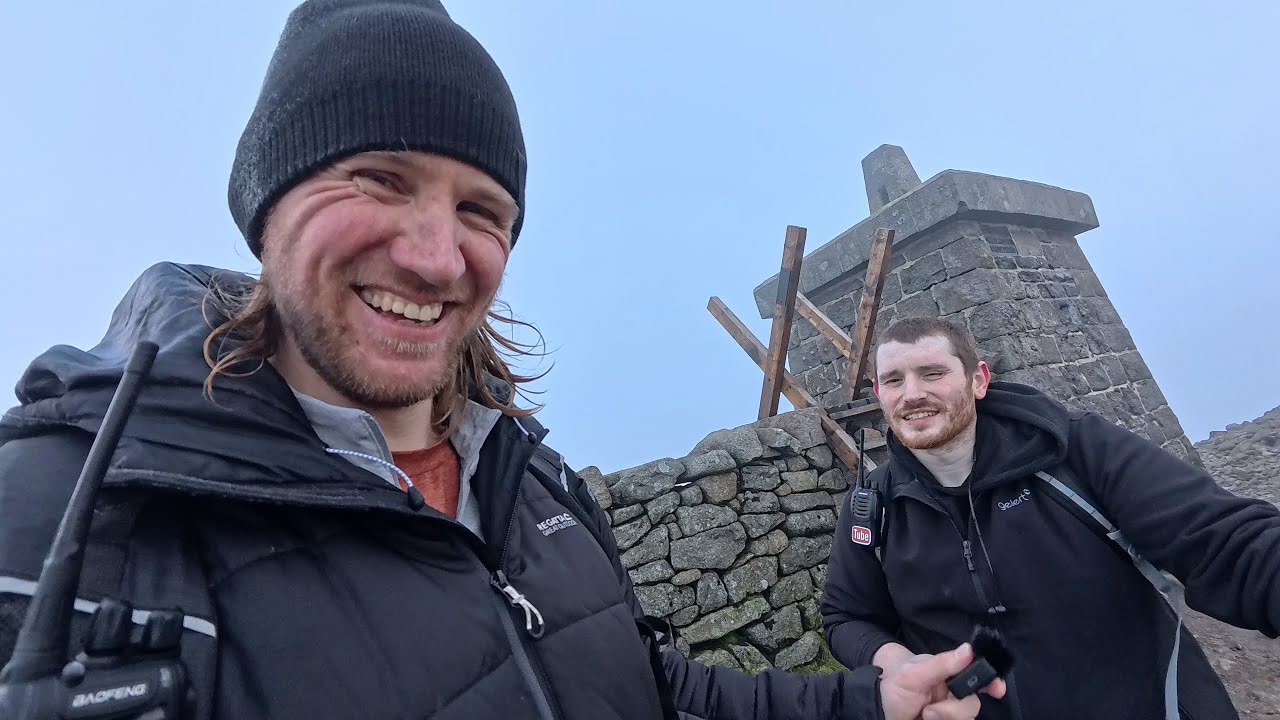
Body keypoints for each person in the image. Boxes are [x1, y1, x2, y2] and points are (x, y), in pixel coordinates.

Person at [0, 2, 1003, 718]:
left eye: (481, 210)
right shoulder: (62, 520)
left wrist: (862, 705)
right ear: (268, 210)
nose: (437, 256)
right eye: (379, 178)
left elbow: (648, 689)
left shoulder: (531, 486)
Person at [821, 315, 1280, 719]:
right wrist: (895, 660)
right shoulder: (873, 505)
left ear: (978, 380)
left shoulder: (1074, 450)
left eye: (933, 373)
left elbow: (1223, 542)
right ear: (879, 394)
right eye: (894, 381)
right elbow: (846, 615)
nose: (912, 395)